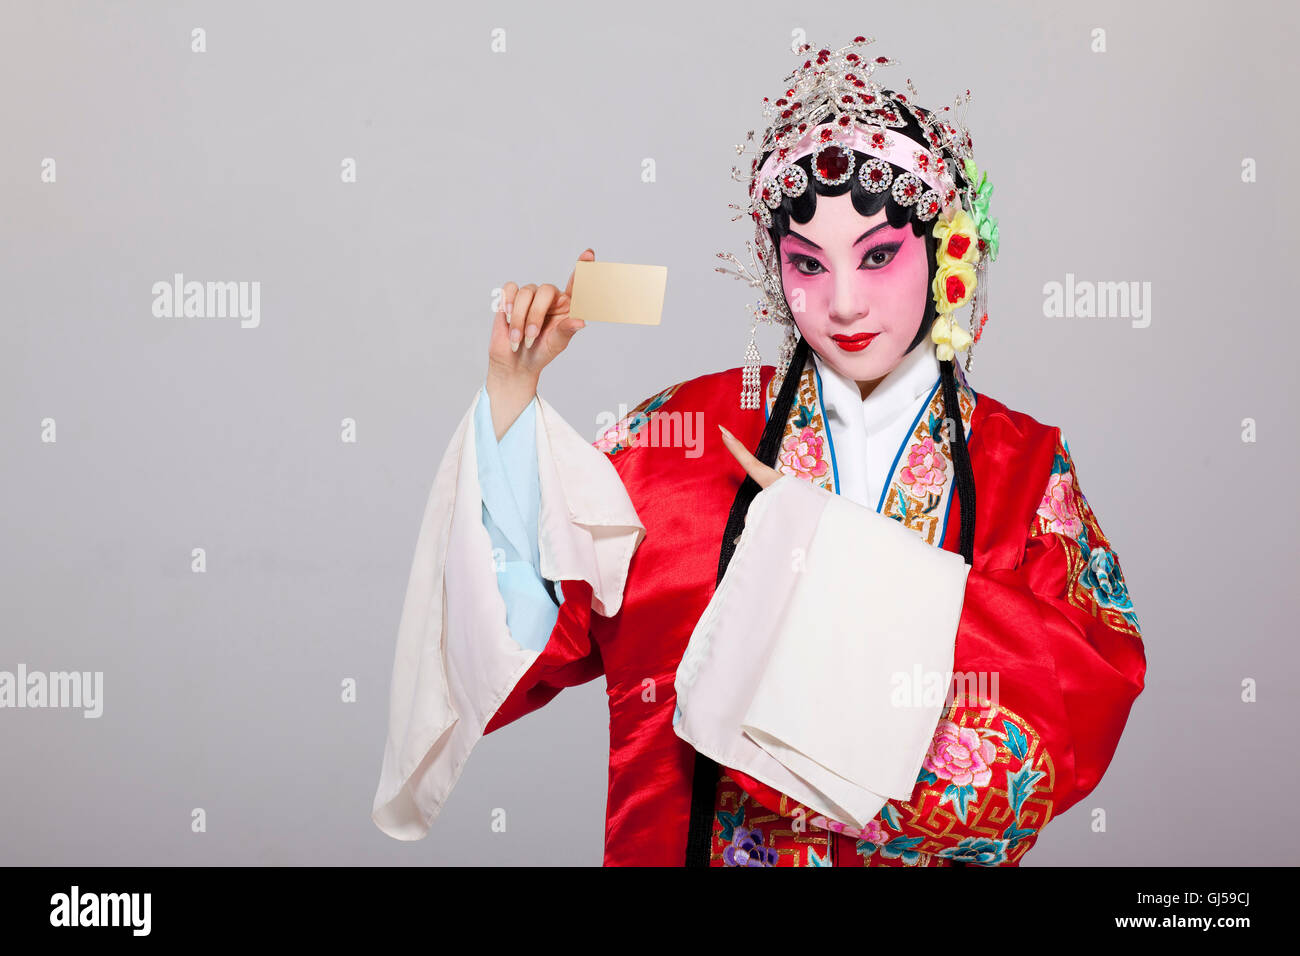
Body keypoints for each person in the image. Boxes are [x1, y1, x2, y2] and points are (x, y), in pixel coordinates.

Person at [372, 35, 1146, 867]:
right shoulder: (675, 444)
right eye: (808, 264)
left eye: (879, 256)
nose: (843, 303)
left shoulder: (1022, 471)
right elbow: (514, 646)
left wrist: (821, 550)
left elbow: (1071, 715)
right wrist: (512, 400)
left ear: (948, 249)